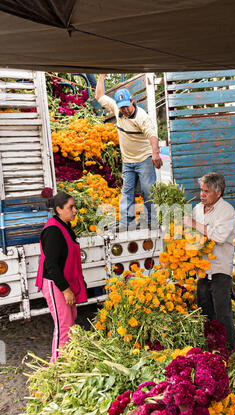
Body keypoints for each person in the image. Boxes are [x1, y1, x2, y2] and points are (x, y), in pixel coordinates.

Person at [95, 74, 162, 230]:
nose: (124, 110)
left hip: (144, 159)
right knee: (127, 192)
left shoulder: (141, 117)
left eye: (127, 106)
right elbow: (99, 96)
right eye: (121, 107)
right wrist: (101, 76)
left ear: (132, 101)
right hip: (128, 161)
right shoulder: (116, 109)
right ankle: (127, 223)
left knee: (148, 191)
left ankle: (152, 221)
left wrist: (155, 154)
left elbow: (152, 136)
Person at [182, 172, 235, 350]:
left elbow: (220, 236)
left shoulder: (227, 211)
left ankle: (229, 348)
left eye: (206, 191)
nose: (202, 194)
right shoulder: (197, 209)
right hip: (202, 269)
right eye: (201, 190)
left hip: (220, 268)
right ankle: (211, 346)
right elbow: (192, 234)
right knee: (205, 310)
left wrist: (194, 224)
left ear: (218, 192)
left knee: (223, 313)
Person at [36, 192, 87, 362]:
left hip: (65, 282)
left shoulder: (64, 225)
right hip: (55, 284)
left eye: (74, 206)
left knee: (71, 324)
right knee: (63, 327)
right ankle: (56, 371)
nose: (74, 211)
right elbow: (51, 266)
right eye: (70, 207)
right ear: (58, 209)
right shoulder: (53, 231)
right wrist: (66, 289)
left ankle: (68, 364)